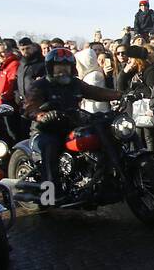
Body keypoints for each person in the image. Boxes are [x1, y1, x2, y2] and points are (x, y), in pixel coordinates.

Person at [23, 47, 121, 198]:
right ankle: (51, 193)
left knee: (100, 137)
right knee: (51, 148)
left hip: (70, 126)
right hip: (46, 129)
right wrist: (41, 115)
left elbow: (96, 92)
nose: (63, 71)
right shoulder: (40, 85)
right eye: (59, 67)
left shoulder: (75, 83)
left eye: (66, 67)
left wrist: (120, 95)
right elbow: (30, 106)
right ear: (50, 68)